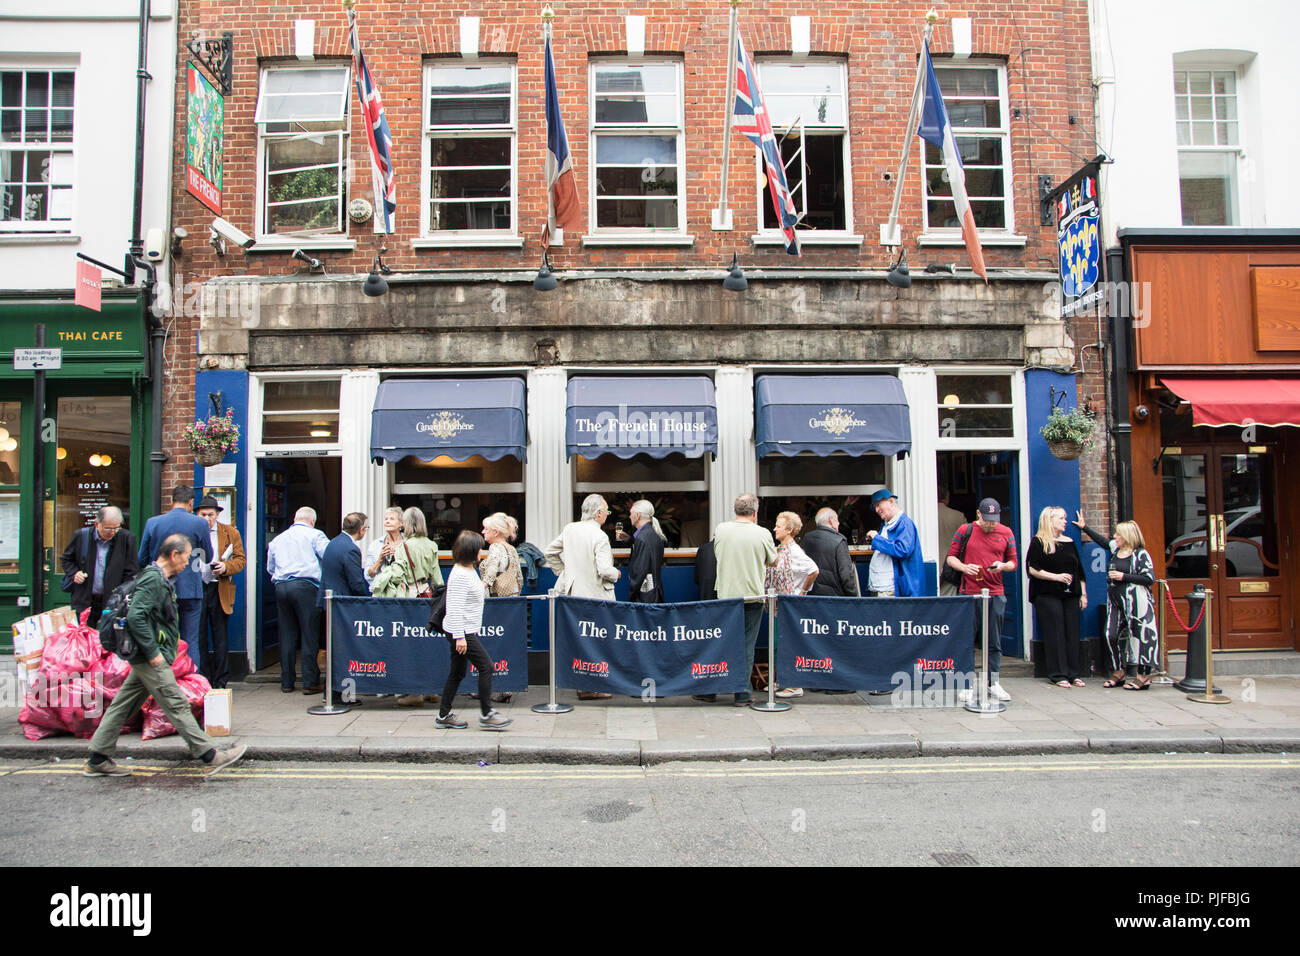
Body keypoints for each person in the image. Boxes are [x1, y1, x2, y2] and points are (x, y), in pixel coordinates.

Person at [83, 534, 247, 778]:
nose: (187, 562)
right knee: (176, 703)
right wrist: (153, 653)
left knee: (122, 704)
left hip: (145, 656)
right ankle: (208, 755)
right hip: (149, 657)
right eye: (186, 556)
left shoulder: (158, 577)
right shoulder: (153, 579)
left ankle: (98, 757)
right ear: (173, 555)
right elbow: (136, 617)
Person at [697, 493, 776, 707]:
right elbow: (773, 560)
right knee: (747, 646)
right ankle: (742, 694)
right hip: (753, 595)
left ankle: (711, 689)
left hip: (726, 596)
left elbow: (717, 553)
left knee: (721, 644)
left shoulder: (721, 530)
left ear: (735, 510)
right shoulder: (762, 533)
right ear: (755, 512)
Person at [545, 494, 620, 701]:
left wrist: (564, 573)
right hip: (595, 598)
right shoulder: (600, 536)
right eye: (607, 511)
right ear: (598, 513)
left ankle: (582, 685)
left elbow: (550, 552)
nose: (607, 514)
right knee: (596, 643)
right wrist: (617, 574)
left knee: (579, 642)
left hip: (572, 596)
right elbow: (605, 570)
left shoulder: (570, 529)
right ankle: (591, 688)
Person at [435, 531, 512, 731]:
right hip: (462, 632)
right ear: (470, 550)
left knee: (457, 673)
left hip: (462, 630)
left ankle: (443, 715)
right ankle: (487, 714)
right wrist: (460, 637)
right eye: (479, 548)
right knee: (486, 667)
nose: (482, 551)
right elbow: (455, 607)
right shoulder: (461, 574)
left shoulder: (467, 570)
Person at [1075, 511, 1158, 690]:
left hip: (1137, 603)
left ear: (1127, 536)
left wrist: (1123, 576)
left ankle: (1143, 676)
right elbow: (1103, 541)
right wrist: (1085, 527)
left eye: (1118, 534)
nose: (1115, 536)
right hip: (1115, 602)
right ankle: (1119, 672)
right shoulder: (1116, 549)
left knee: (1140, 637)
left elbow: (1149, 578)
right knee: (1110, 634)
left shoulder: (1140, 555)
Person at [948, 498, 1018, 703]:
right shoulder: (964, 530)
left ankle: (993, 682)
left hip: (995, 591)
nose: (990, 524)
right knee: (967, 639)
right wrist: (963, 567)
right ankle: (966, 683)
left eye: (994, 520)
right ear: (979, 514)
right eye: (987, 520)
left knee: (994, 639)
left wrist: (1003, 566)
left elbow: (1013, 561)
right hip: (969, 591)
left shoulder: (1006, 532)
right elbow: (951, 557)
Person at [137, 486, 209, 667]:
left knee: (161, 636)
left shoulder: (153, 523)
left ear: (171, 500)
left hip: (160, 588)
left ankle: (165, 681)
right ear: (191, 503)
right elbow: (207, 555)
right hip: (190, 589)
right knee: (190, 639)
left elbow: (141, 558)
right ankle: (191, 683)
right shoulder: (199, 523)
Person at [382, 507, 445, 708]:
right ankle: (431, 690)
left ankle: (413, 693)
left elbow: (397, 576)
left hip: (408, 599)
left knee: (409, 645)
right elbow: (437, 579)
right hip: (427, 597)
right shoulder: (432, 545)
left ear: (407, 525)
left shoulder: (403, 546)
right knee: (427, 643)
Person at [266, 506, 328, 694]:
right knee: (309, 634)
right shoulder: (315, 535)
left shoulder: (278, 539)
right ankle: (310, 681)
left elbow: (271, 567)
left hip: (281, 586)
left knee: (287, 634)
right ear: (312, 521)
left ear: (295, 519)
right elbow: (329, 557)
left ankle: (287, 681)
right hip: (306, 586)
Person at [1025, 506, 1087, 688]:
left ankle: (1074, 673)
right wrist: (1056, 577)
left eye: (1065, 518)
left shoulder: (1069, 542)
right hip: (1047, 593)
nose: (1065, 521)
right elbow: (1032, 569)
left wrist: (1083, 593)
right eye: (1061, 518)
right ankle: (1057, 674)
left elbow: (1079, 570)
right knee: (1056, 632)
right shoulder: (1039, 542)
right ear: (1050, 520)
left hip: (1071, 593)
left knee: (1072, 632)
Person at [319, 512, 372, 700]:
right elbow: (356, 582)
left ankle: (333, 692)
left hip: (329, 602)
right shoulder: (351, 549)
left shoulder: (333, 543)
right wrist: (365, 602)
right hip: (342, 606)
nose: (366, 531)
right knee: (342, 650)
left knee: (334, 648)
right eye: (366, 527)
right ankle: (337, 694)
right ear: (360, 530)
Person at [766, 511, 819, 700]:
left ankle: (794, 684)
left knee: (787, 644)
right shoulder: (781, 549)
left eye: (778, 526)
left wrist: (802, 592)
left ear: (789, 530)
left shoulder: (794, 551)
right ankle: (781, 680)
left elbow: (813, 570)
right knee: (777, 643)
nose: (774, 529)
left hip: (789, 604)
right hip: (779, 605)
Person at [195, 496, 245, 690]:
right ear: (197, 514)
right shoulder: (192, 532)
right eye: (203, 514)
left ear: (217, 515)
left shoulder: (230, 532)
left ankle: (221, 680)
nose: (207, 518)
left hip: (220, 586)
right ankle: (202, 679)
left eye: (211, 514)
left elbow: (240, 559)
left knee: (220, 636)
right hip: (197, 587)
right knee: (198, 636)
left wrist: (225, 567)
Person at [59, 505, 138, 627]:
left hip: (113, 602)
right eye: (108, 528)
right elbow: (66, 559)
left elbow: (131, 572)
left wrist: (121, 596)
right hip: (85, 600)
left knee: (109, 643)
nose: (112, 532)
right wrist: (74, 573)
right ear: (97, 524)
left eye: (116, 528)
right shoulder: (81, 536)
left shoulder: (126, 539)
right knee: (84, 639)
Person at [477, 512, 523, 704]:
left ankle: (488, 686)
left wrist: (482, 587)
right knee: (507, 644)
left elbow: (491, 570)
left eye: (486, 529)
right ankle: (506, 685)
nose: (483, 532)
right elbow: (519, 576)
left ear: (495, 532)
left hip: (496, 601)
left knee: (491, 642)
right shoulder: (511, 548)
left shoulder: (495, 547)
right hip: (511, 601)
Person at [865, 489, 924, 597]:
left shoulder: (904, 523)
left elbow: (902, 550)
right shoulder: (887, 525)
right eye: (875, 507)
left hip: (892, 589)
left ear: (891, 502)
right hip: (882, 588)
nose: (877, 510)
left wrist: (877, 539)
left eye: (878, 505)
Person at [802, 507, 860, 597]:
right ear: (831, 520)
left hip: (811, 596)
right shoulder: (839, 540)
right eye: (837, 520)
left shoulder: (807, 538)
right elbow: (846, 575)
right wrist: (853, 596)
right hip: (834, 598)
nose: (839, 523)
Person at [625, 499, 666, 604]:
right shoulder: (655, 534)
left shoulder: (642, 538)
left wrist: (631, 596)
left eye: (631, 514)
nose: (629, 516)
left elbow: (640, 571)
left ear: (637, 515)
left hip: (644, 596)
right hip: (654, 592)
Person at [365, 506, 411, 594]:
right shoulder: (375, 544)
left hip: (403, 593)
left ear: (401, 523)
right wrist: (380, 559)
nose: (387, 521)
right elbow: (368, 575)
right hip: (380, 593)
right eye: (386, 519)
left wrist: (398, 557)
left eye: (392, 519)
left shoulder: (408, 543)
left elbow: (414, 571)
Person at [937, 486, 965, 596]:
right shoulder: (958, 516)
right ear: (947, 497)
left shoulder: (925, 514)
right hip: (950, 567)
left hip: (929, 567)